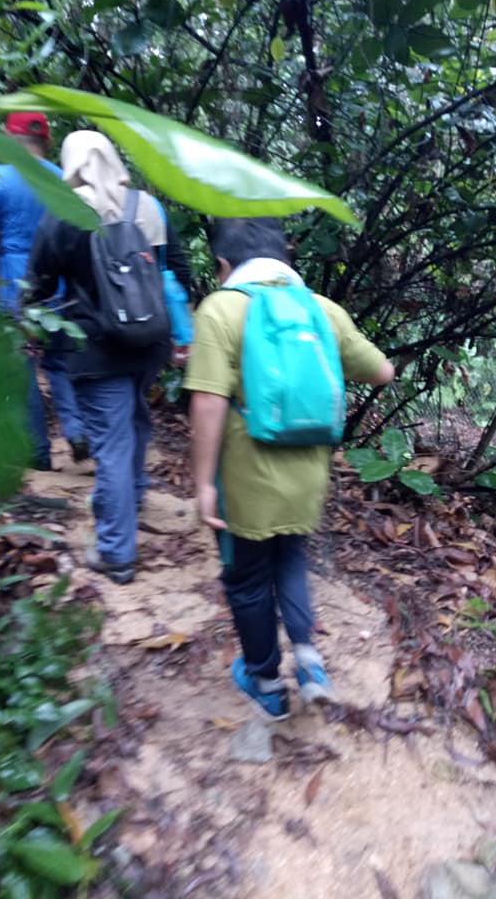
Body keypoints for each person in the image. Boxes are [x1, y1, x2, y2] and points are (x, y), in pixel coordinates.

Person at [184, 217, 394, 721]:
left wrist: (203, 484)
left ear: (224, 265)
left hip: (245, 480)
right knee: (291, 558)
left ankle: (266, 683)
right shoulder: (322, 309)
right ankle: (309, 660)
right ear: (286, 256)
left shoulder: (221, 309)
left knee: (247, 578)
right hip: (307, 477)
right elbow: (382, 371)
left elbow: (208, 403)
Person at [29, 130, 192, 584]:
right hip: (150, 341)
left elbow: (38, 283)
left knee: (113, 443)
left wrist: (40, 321)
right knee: (135, 418)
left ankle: (116, 552)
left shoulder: (64, 212)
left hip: (95, 347)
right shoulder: (147, 207)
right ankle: (132, 495)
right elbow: (178, 270)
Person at [0, 112, 88, 470]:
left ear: (8, 140)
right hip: (61, 286)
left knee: (22, 364)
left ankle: (38, 453)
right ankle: (77, 431)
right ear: (47, 141)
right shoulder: (64, 182)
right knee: (59, 362)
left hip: (13, 284)